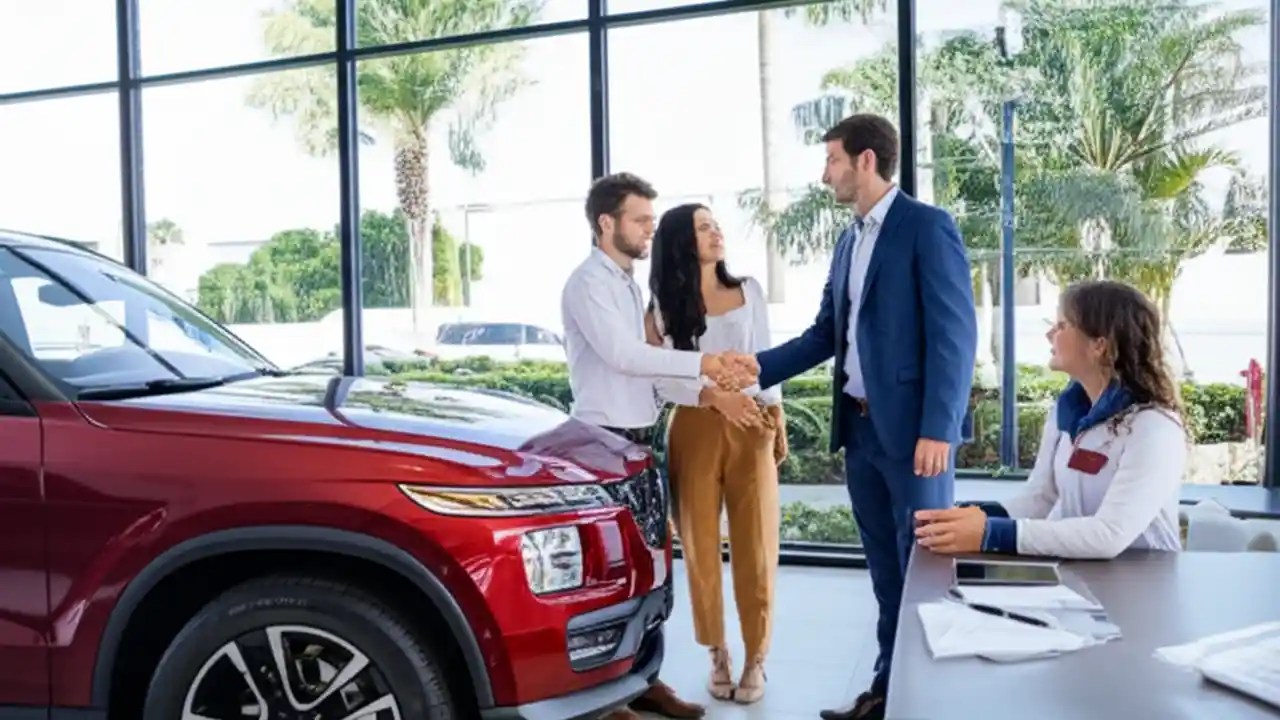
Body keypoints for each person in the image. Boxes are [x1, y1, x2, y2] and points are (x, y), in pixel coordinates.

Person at [753, 114, 977, 720]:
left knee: (925, 572)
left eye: (832, 160)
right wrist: (752, 368)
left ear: (867, 161)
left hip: (914, 437)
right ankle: (886, 695)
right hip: (860, 430)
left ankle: (928, 700)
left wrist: (940, 427)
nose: (826, 173)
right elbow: (826, 333)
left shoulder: (926, 228)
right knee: (884, 572)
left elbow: (956, 336)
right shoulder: (849, 240)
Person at [561, 172, 758, 720]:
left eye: (652, 219)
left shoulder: (628, 283)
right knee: (609, 579)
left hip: (643, 441)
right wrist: (706, 364)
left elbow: (652, 370)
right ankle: (605, 698)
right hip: (603, 443)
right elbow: (626, 356)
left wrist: (708, 388)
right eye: (640, 219)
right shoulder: (587, 284)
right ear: (607, 223)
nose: (651, 228)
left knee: (650, 570)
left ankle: (644, 680)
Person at [914, 280, 1188, 559]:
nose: (1049, 334)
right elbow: (1040, 499)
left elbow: (1109, 534)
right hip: (1080, 577)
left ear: (1099, 345)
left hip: (1146, 586)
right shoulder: (1065, 413)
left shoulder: (1154, 428)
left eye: (1062, 325)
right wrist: (965, 517)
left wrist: (990, 533)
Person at [644, 203, 784, 705]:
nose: (716, 232)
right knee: (701, 544)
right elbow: (660, 376)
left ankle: (756, 657)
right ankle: (717, 653)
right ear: (683, 240)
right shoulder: (663, 303)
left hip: (751, 422)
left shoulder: (748, 290)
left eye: (716, 224)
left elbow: (766, 355)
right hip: (696, 426)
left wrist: (776, 414)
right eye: (704, 227)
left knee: (757, 543)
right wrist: (711, 396)